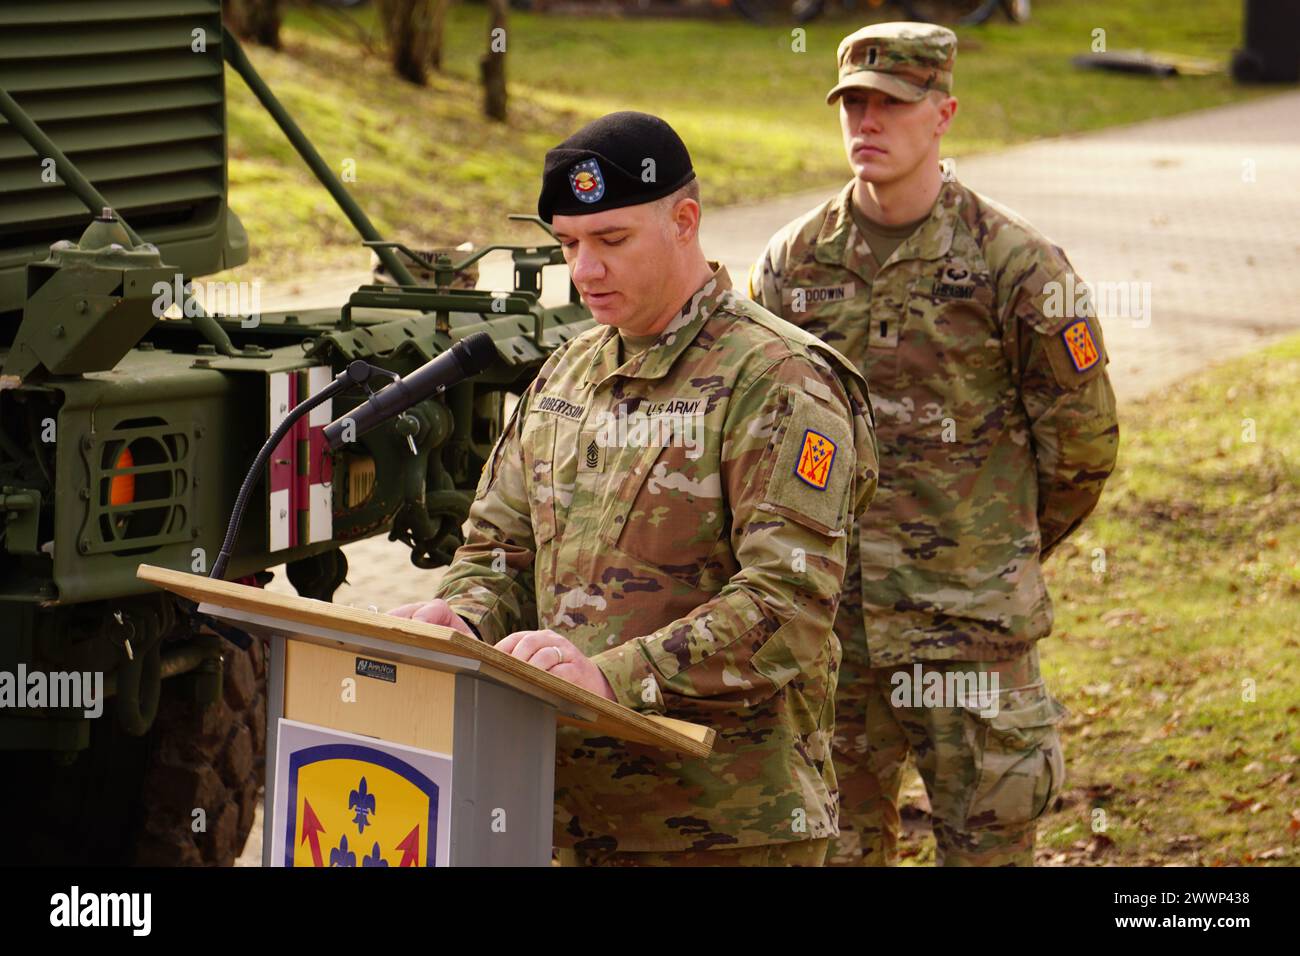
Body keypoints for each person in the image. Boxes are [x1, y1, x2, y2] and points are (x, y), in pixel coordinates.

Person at [390, 111, 879, 865]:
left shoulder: (778, 379)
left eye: (611, 240)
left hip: (724, 825)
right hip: (559, 811)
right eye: (568, 245)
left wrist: (611, 680)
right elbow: (499, 550)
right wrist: (463, 619)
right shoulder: (566, 374)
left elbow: (788, 604)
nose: (585, 270)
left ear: (685, 222)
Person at [750, 22, 1120, 866]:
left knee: (987, 848)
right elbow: (761, 436)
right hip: (835, 631)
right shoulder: (793, 263)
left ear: (943, 113)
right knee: (832, 851)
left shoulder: (1017, 265)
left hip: (970, 634)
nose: (867, 122)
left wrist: (997, 547)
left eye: (892, 104)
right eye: (853, 104)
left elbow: (1084, 445)